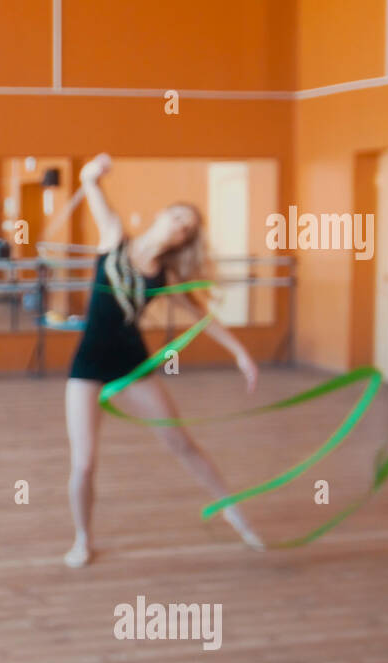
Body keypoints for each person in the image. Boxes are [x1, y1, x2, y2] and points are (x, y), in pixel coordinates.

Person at [65, 153, 263, 568]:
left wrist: (241, 353)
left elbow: (202, 317)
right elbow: (90, 186)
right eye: (177, 218)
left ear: (184, 240)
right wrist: (93, 172)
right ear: (162, 216)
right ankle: (83, 539)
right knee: (84, 463)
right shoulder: (114, 238)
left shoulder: (165, 275)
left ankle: (232, 509)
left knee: (180, 442)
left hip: (134, 363)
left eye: (187, 228)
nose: (180, 228)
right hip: (88, 363)